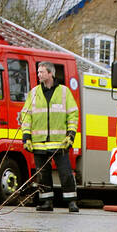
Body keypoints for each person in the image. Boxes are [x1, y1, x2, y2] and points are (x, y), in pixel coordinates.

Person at [18, 62, 80, 213]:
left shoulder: (64, 92)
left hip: (60, 143)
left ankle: (71, 202)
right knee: (42, 174)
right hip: (39, 143)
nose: (38, 75)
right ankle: (46, 202)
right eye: (38, 72)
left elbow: (73, 114)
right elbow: (26, 117)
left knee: (65, 173)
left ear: (50, 73)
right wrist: (26, 137)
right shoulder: (33, 93)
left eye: (41, 72)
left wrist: (71, 135)